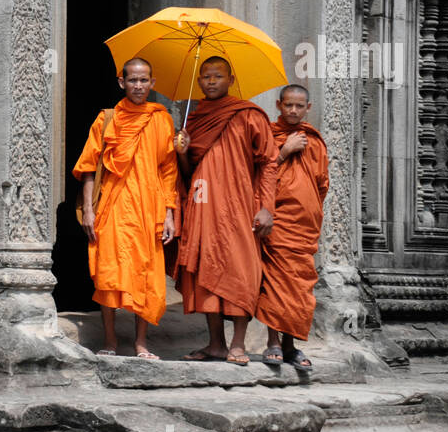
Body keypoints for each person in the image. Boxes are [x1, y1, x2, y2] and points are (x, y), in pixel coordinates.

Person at [173, 56, 278, 365]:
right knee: (204, 271)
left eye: (218, 76)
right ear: (199, 81)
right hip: (203, 204)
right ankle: (216, 344)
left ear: (231, 79)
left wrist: (267, 207)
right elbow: (189, 169)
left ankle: (238, 344)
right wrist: (181, 152)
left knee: (239, 271)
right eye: (205, 76)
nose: (211, 81)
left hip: (238, 206)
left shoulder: (248, 115)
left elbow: (270, 162)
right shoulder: (193, 117)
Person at [73, 57, 178, 358]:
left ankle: (141, 343)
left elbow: (168, 170)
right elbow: (89, 167)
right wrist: (89, 211)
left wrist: (169, 213)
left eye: (144, 80)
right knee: (109, 273)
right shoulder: (107, 118)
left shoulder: (161, 119)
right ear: (122, 82)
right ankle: (110, 341)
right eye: (133, 80)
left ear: (152, 83)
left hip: (149, 207)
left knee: (145, 273)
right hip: (113, 206)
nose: (139, 86)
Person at [256, 84, 329, 370]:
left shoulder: (315, 141)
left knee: (299, 287)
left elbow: (322, 184)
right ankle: (273, 343)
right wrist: (284, 152)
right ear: (279, 105)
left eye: (300, 106)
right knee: (275, 282)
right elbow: (259, 174)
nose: (294, 111)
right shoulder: (270, 137)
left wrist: (311, 211)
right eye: (289, 105)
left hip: (304, 226)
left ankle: (290, 346)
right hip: (279, 221)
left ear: (308, 108)